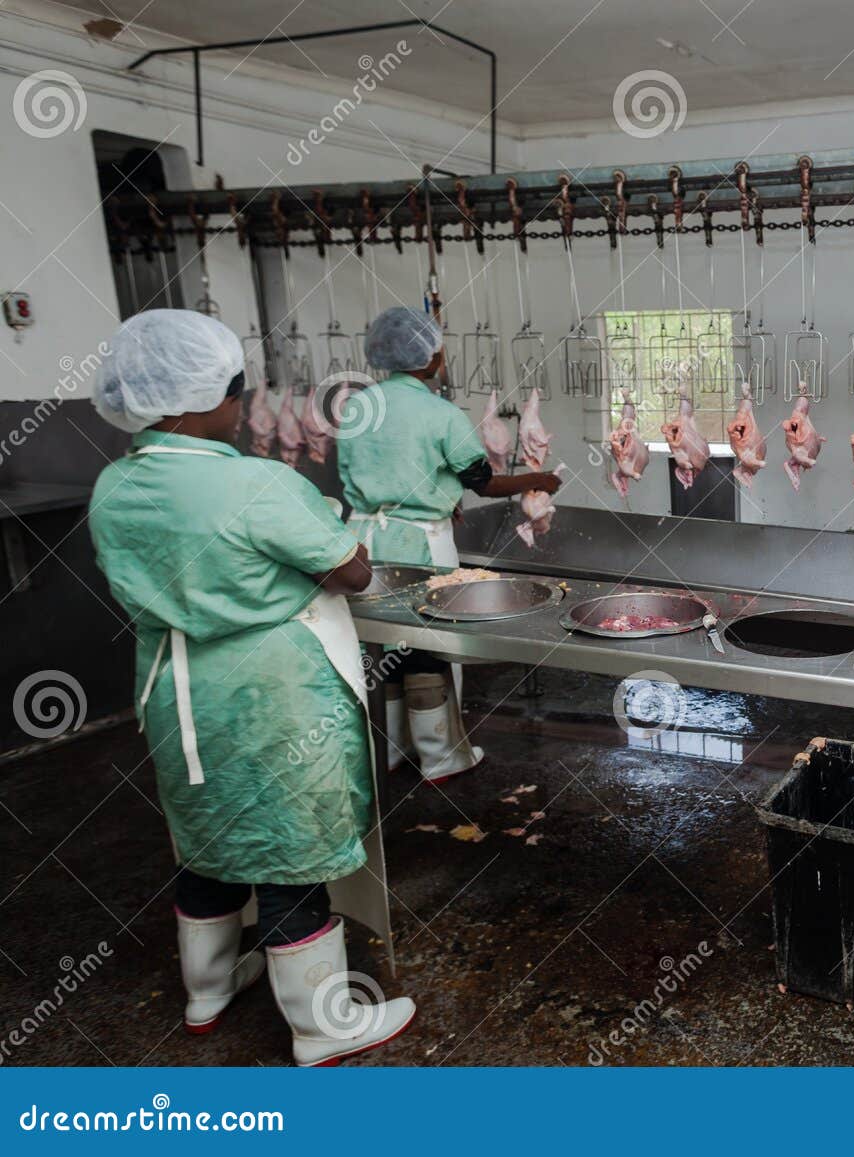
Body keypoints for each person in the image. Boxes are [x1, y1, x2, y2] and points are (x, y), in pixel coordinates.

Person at [88, 309, 413, 1065]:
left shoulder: (112, 486)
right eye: (236, 390)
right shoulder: (254, 482)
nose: (240, 405)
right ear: (204, 398)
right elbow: (353, 571)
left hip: (178, 690)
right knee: (287, 849)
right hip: (271, 694)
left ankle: (206, 990)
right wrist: (325, 525)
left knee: (206, 836)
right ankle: (322, 1025)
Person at [339, 306, 561, 782]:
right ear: (431, 358)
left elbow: (374, 473)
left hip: (361, 541)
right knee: (425, 644)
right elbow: (483, 482)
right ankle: (441, 757)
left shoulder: (357, 407)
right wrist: (538, 479)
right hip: (420, 542)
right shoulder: (440, 413)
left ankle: (391, 750)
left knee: (380, 643)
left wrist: (435, 496)